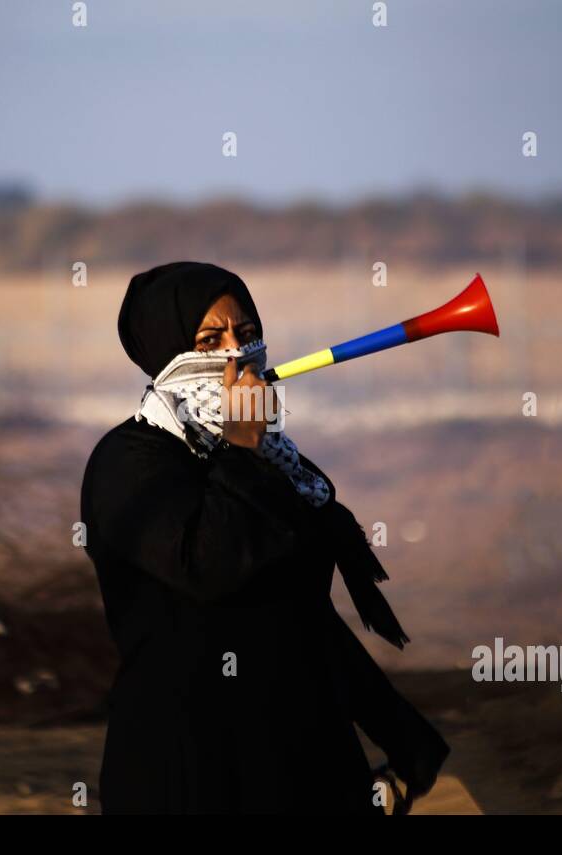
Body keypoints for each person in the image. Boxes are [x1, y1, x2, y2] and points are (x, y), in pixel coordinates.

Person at [80, 261, 450, 814]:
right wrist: (242, 450)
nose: (237, 352)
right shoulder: (129, 462)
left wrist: (402, 736)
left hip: (305, 766)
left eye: (247, 334)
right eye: (211, 339)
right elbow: (208, 568)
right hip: (185, 772)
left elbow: (303, 620)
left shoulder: (280, 464)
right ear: (165, 351)